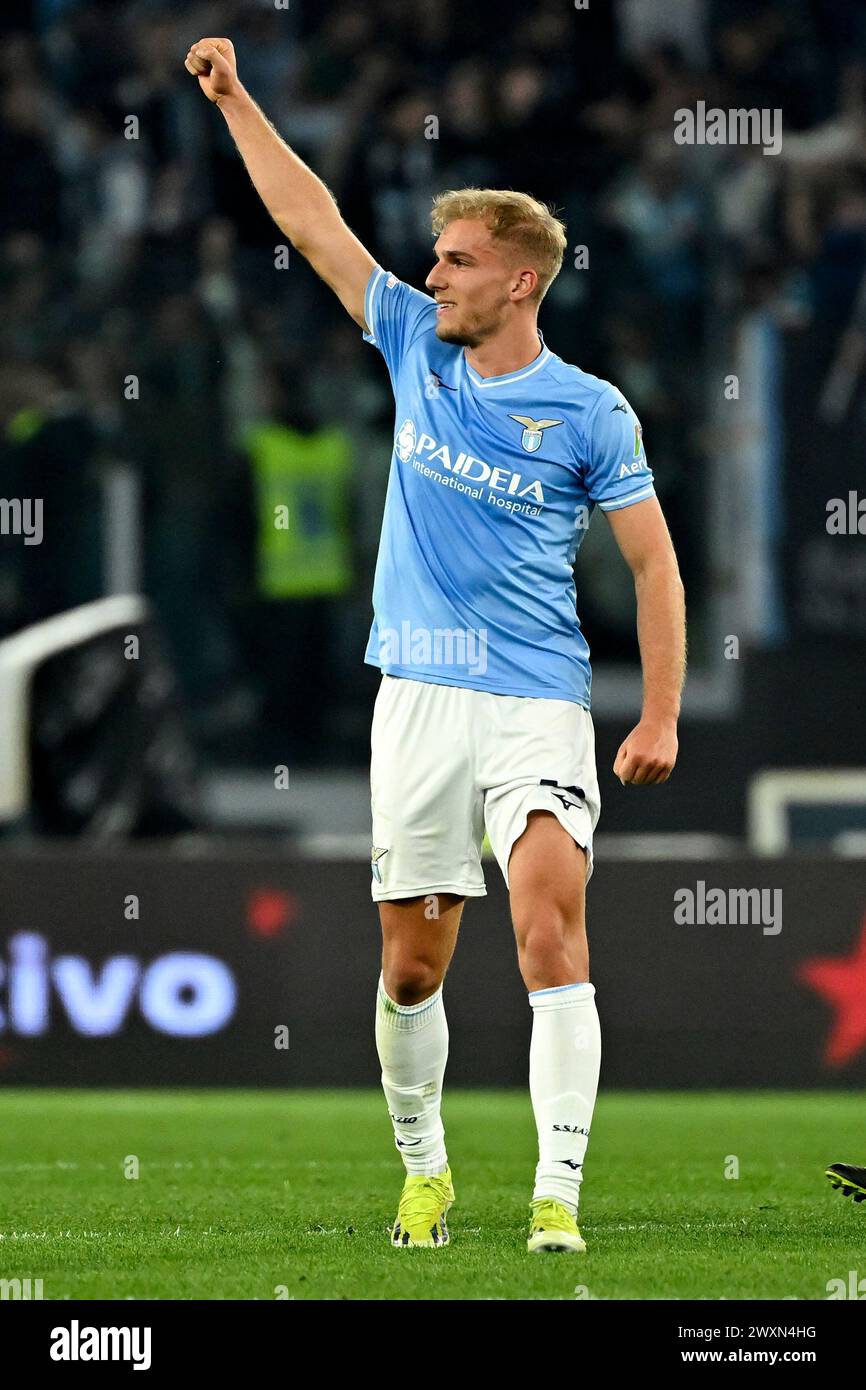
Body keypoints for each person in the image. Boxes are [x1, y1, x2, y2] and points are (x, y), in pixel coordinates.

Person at [185, 36, 686, 1253]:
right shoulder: (413, 342)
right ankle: (425, 1170)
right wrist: (238, 101)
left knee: (547, 923)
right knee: (411, 968)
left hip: (534, 704)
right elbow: (313, 225)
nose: (432, 273)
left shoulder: (588, 410)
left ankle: (555, 1198)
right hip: (414, 697)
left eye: (456, 261)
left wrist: (658, 711)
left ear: (518, 283)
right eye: (435, 257)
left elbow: (653, 563)